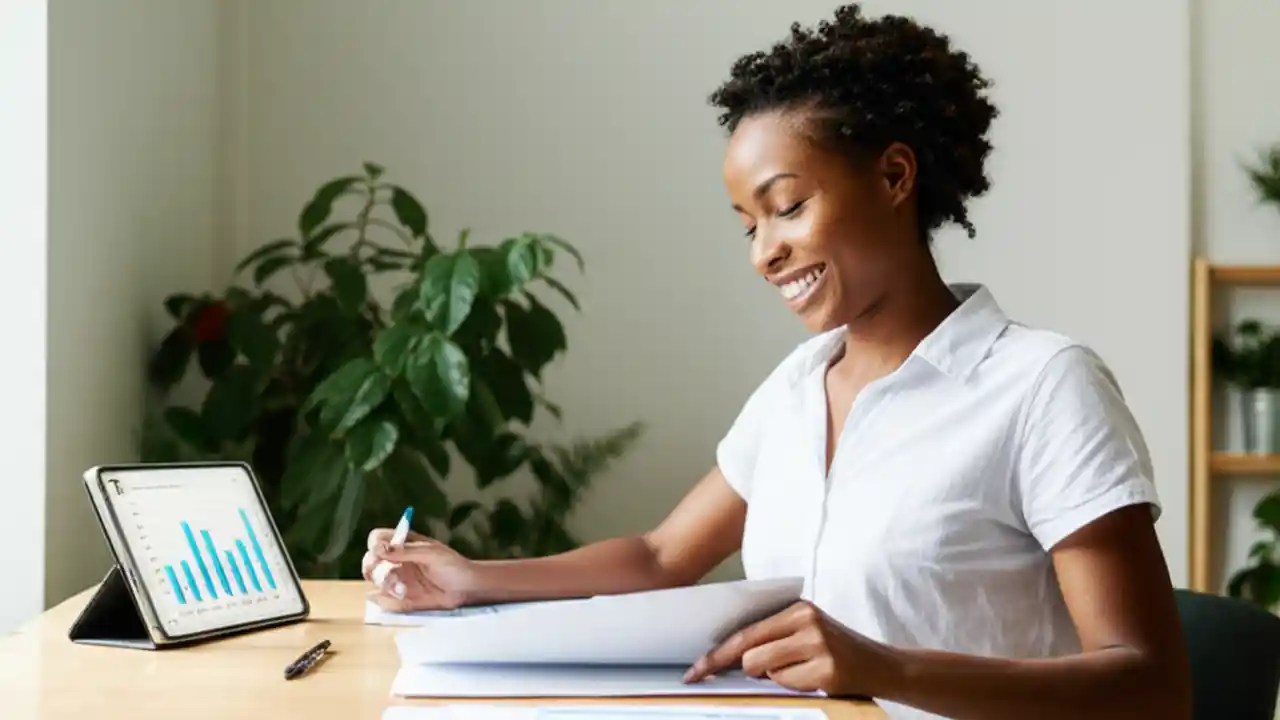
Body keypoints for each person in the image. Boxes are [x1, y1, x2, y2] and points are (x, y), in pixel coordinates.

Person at [363, 5, 1192, 718]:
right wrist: (472, 580)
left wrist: (886, 668)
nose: (765, 251)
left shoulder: (1043, 387)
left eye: (787, 207)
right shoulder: (798, 389)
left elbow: (1152, 690)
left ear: (895, 175)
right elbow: (661, 557)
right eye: (747, 225)